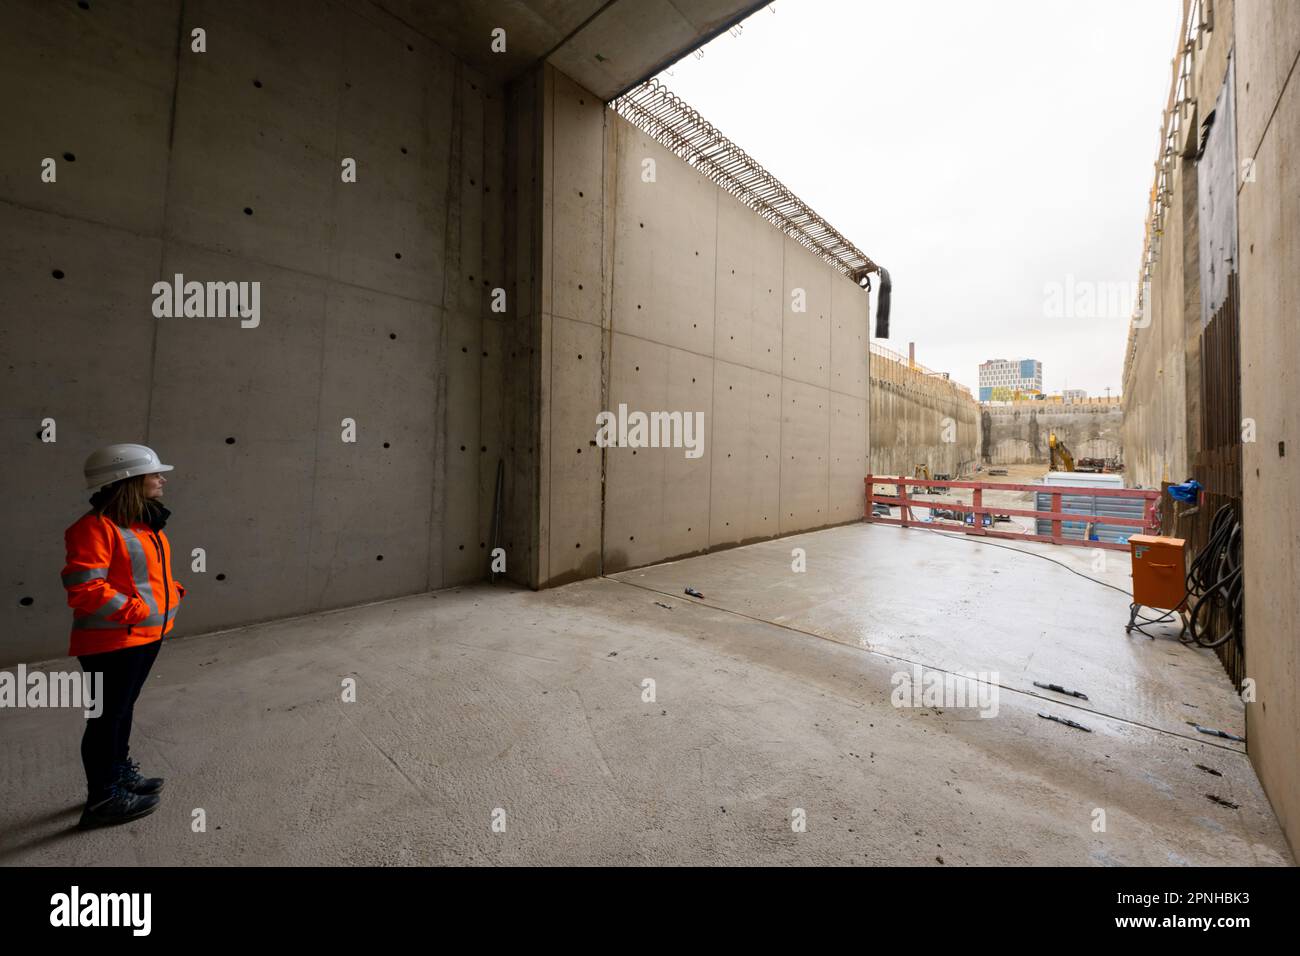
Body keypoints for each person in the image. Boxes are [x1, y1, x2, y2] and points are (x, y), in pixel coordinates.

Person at [62, 443, 185, 829]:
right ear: (127, 481)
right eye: (154, 474)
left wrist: (172, 592)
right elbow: (85, 588)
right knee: (105, 719)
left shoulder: (141, 523)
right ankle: (102, 799)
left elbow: (144, 577)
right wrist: (138, 610)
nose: (162, 479)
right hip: (111, 643)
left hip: (143, 637)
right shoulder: (93, 528)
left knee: (121, 712)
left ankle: (118, 775)